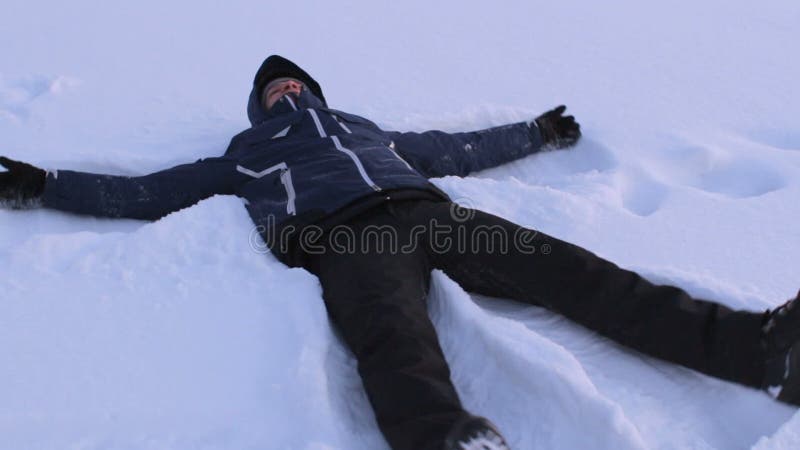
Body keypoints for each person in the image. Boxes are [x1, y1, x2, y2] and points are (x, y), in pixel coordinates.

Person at [1, 54, 798, 450]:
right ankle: (446, 438)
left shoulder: (367, 129)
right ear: (261, 105)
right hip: (348, 235)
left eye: (294, 83)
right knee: (389, 329)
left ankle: (756, 348)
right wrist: (45, 183)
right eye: (273, 88)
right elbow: (144, 192)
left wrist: (537, 133)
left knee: (576, 273)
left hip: (427, 213)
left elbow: (455, 147)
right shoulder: (242, 154)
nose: (287, 91)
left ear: (313, 89)